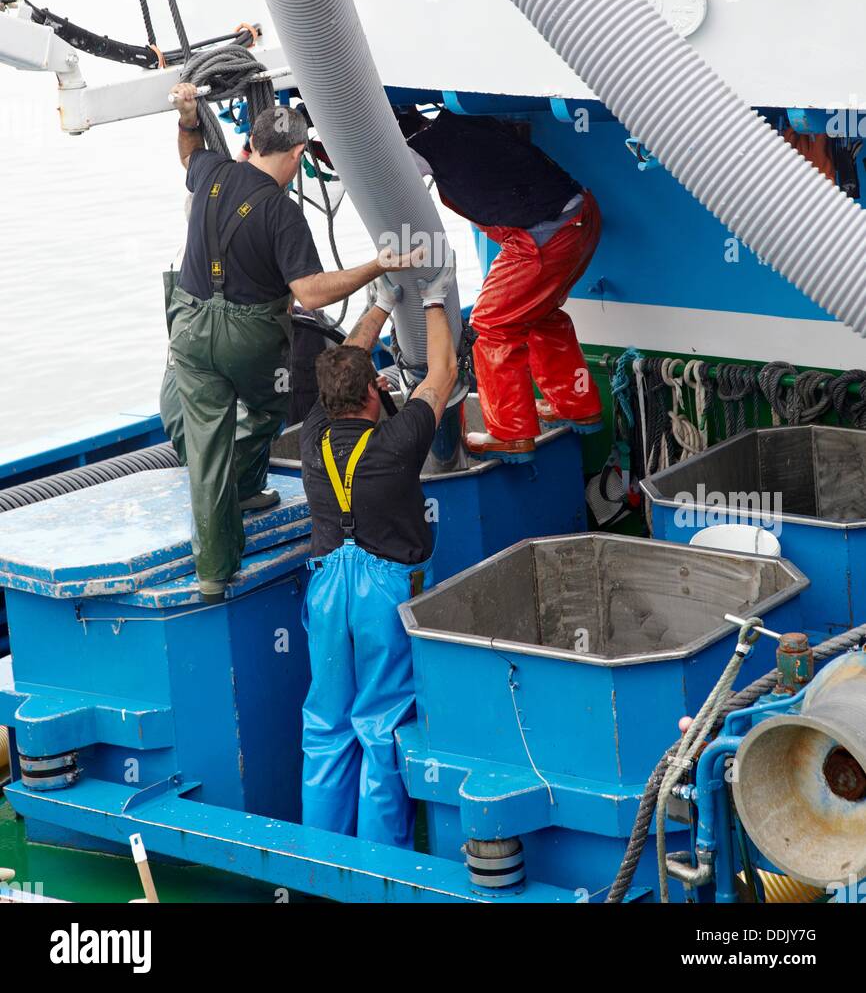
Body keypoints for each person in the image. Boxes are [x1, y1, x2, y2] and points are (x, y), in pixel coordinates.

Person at [170, 83, 423, 602]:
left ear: (253, 143)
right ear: (299, 153)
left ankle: (213, 575)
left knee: (206, 440)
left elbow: (189, 154)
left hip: (188, 329)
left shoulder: (214, 171)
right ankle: (241, 488)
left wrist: (189, 119)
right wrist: (380, 265)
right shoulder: (283, 212)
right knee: (272, 404)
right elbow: (309, 291)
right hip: (247, 338)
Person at [299, 252, 458, 848]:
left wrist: (382, 303)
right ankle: (377, 871)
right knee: (382, 726)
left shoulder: (315, 431)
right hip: (383, 592)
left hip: (324, 589)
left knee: (326, 724)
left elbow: (347, 364)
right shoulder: (397, 440)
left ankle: (323, 860)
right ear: (374, 391)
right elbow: (439, 372)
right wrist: (437, 298)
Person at [400, 108, 602, 457]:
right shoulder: (467, 120)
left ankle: (510, 434)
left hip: (544, 239)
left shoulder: (421, 147)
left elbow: (382, 171)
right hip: (582, 217)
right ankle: (576, 403)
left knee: (490, 326)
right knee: (538, 314)